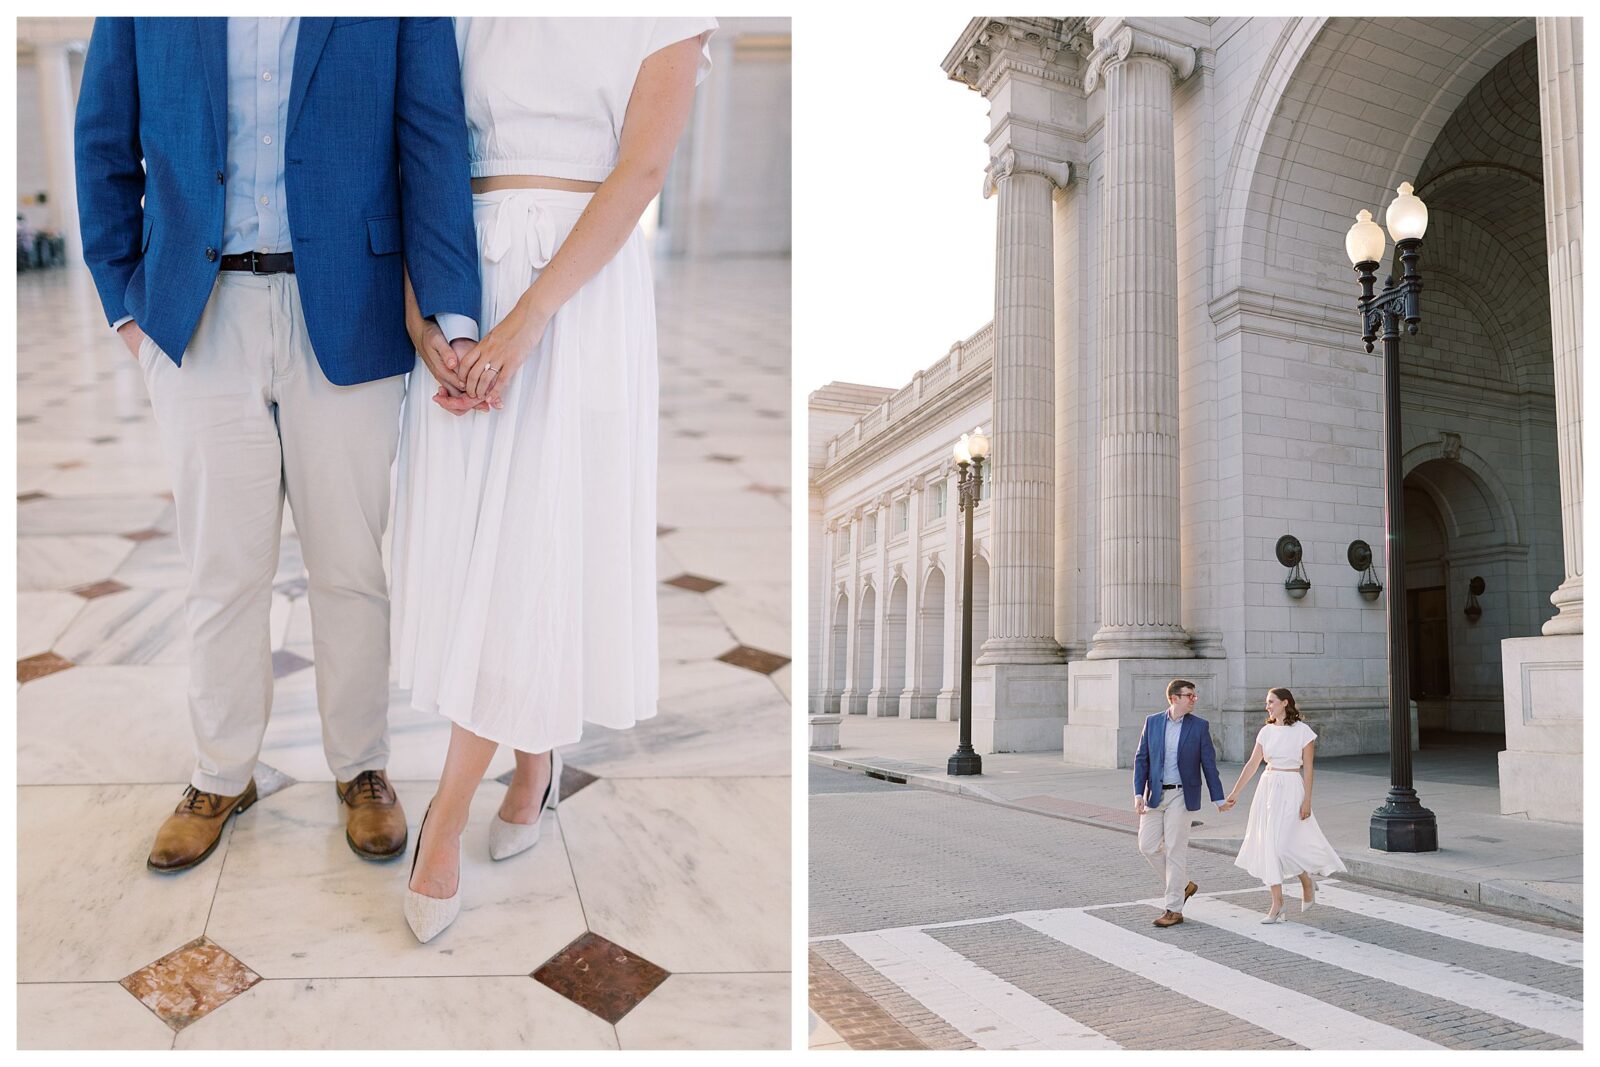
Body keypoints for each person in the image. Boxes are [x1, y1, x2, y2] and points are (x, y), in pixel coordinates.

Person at [74, 18, 481, 873]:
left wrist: (452, 311)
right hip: (197, 314)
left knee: (350, 566)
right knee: (222, 567)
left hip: (352, 310)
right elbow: (104, 142)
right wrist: (126, 309)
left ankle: (362, 767)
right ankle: (220, 772)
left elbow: (433, 143)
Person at [389, 16, 718, 943]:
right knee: (478, 555)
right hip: (466, 275)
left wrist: (531, 318)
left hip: (578, 292)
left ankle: (445, 819)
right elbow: (423, 147)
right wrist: (426, 317)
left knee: (535, 543)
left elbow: (642, 172)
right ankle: (535, 760)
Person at [1219, 687, 1347, 922]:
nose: (1267, 705)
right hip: (1268, 787)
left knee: (1282, 846)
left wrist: (1307, 800)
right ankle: (1277, 904)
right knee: (1268, 846)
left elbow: (1308, 769)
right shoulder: (1266, 731)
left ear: (1284, 703)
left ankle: (1306, 881)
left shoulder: (1303, 732)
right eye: (1267, 702)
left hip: (1291, 787)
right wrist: (1235, 793)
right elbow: (1252, 763)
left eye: (1271, 701)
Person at [1132, 679, 1226, 928]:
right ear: (1174, 698)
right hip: (1154, 795)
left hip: (1182, 796)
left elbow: (1209, 764)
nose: (1194, 699)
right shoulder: (1153, 722)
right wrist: (1138, 793)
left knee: (1175, 849)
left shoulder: (1199, 727)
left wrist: (1218, 797)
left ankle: (1174, 909)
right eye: (1189, 696)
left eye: (1195, 696)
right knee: (1147, 846)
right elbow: (1142, 759)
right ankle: (1184, 885)